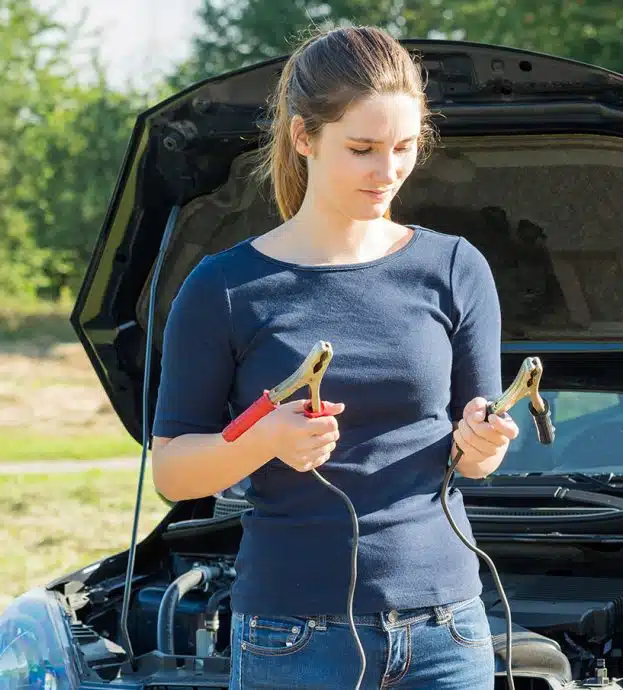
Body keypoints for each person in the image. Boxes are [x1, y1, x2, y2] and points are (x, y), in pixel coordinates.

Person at [150, 24, 518, 689]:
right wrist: (264, 440)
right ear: (303, 137)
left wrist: (484, 442)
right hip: (294, 638)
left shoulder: (456, 268)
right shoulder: (225, 288)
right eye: (363, 149)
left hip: (448, 632)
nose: (388, 172)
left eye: (404, 148)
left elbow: (475, 458)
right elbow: (174, 474)